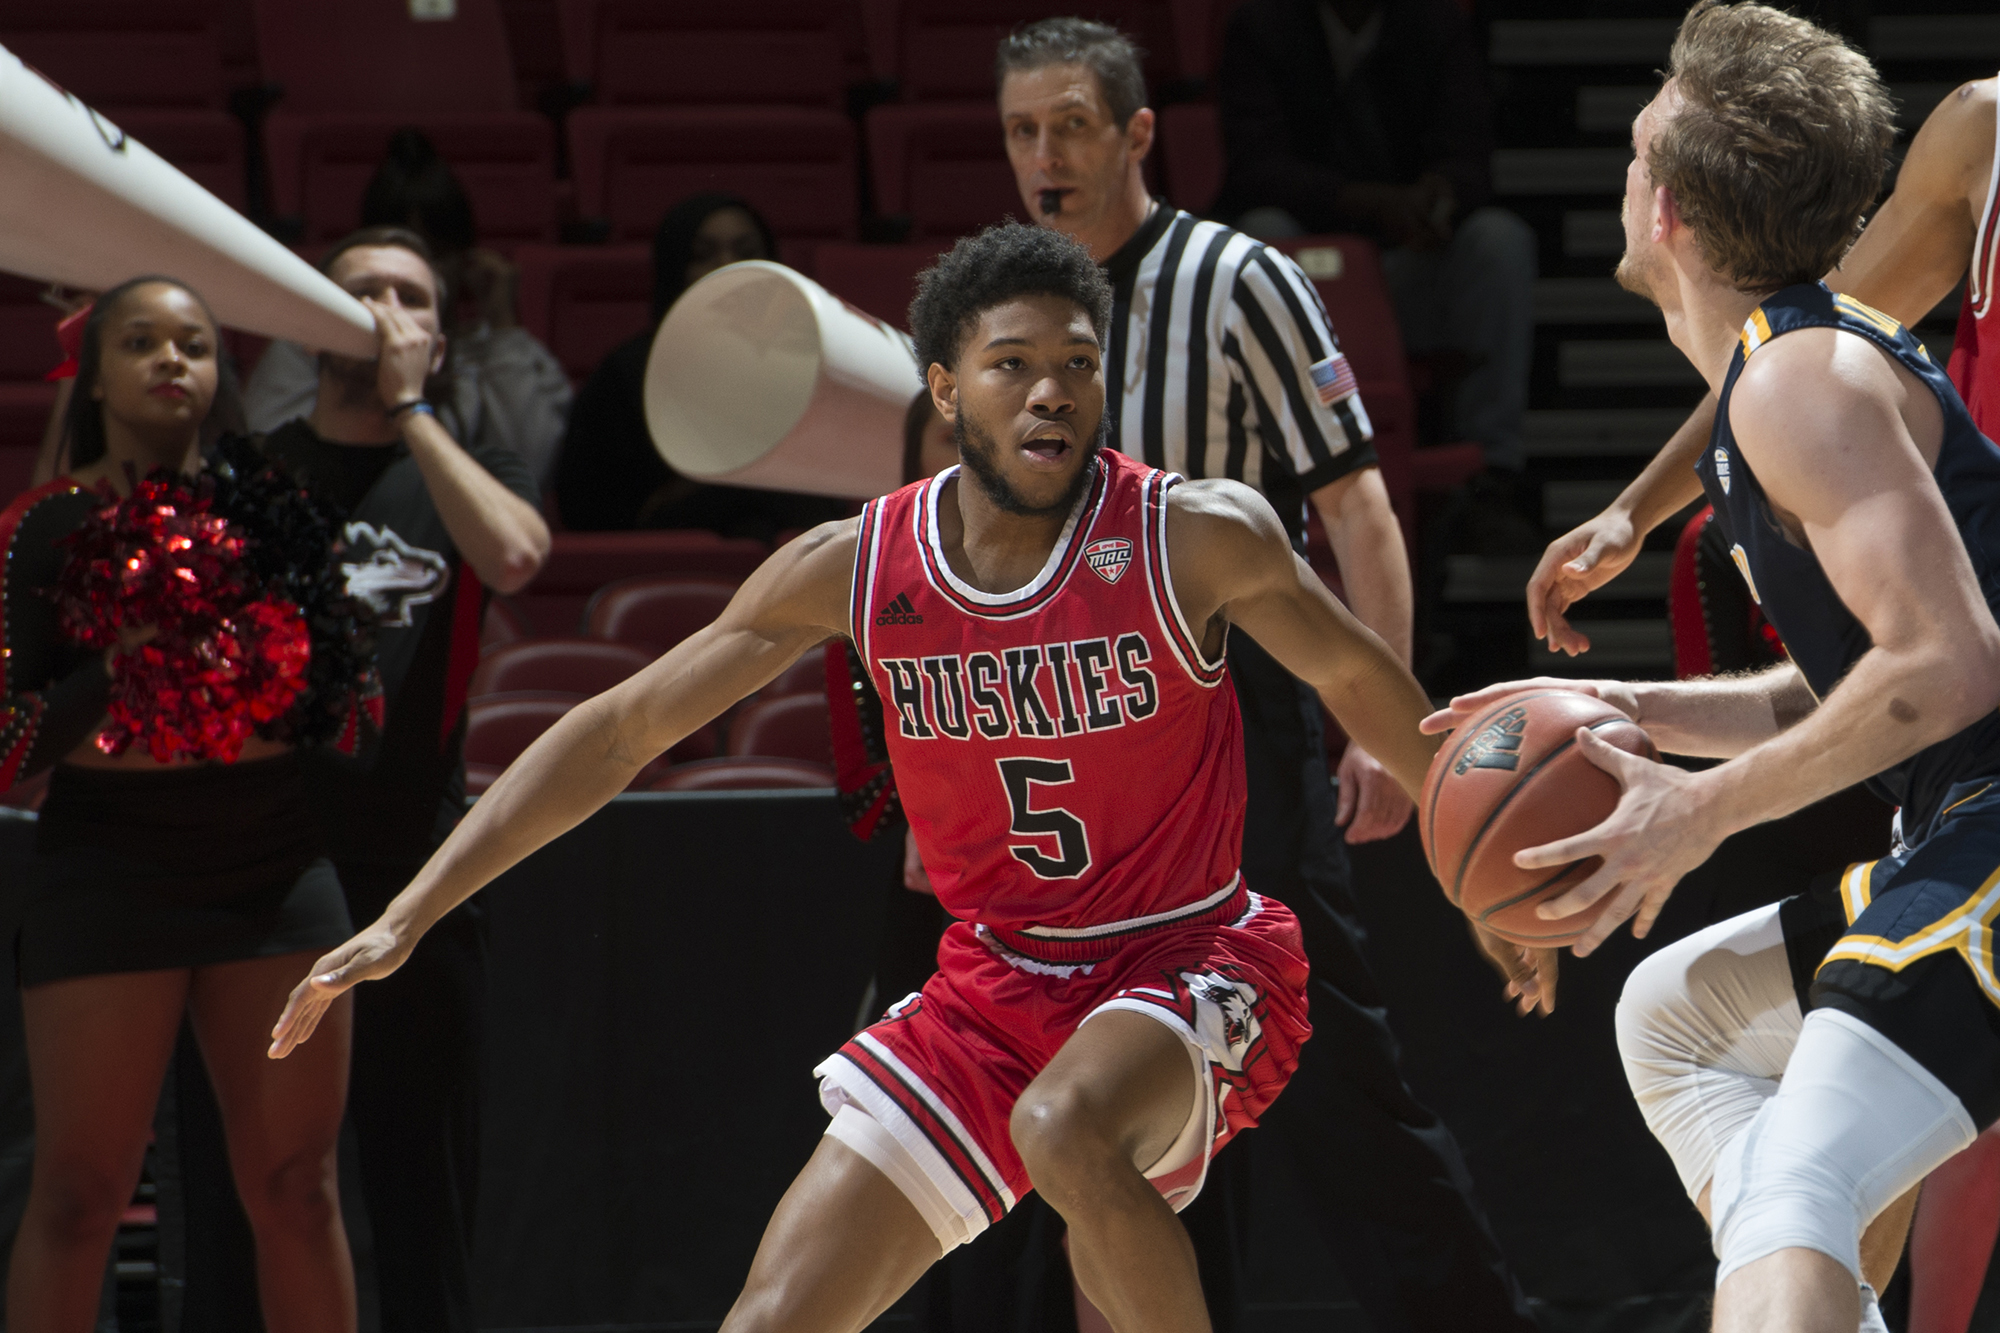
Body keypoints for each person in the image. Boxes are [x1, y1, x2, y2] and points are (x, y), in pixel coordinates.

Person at [269, 222, 1541, 1333]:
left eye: (1077, 366)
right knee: (769, 1318)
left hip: (1190, 955)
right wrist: (407, 911)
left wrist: (1485, 886)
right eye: (1012, 368)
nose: (1051, 394)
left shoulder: (1192, 533)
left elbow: (1380, 698)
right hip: (991, 986)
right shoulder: (856, 563)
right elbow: (616, 732)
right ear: (942, 390)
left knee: (1063, 1131)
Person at [1425, 5, 2000, 1329]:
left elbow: (1950, 668)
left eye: (1635, 156)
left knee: (1801, 1181)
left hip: (1990, 812)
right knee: (1674, 1017)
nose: (1626, 180)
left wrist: (1696, 811)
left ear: (1670, 212)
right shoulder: (1773, 379)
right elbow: (1859, 682)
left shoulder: (1801, 385)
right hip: (1959, 812)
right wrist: (1639, 710)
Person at [990, 18, 1537, 1330]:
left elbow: (1358, 512)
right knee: (1116, 1075)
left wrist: (1378, 722)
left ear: (1138, 135)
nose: (1043, 156)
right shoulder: (1013, 308)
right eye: (1020, 130)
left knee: (1326, 1060)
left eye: (1070, 125)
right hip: (1079, 726)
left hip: (1238, 710)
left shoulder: (1241, 280)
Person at [178, 226, 550, 1333]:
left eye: (408, 298)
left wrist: (413, 415)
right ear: (310, 319)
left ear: (436, 338)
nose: (383, 311)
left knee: (419, 1192)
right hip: (257, 879)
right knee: (246, 1194)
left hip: (417, 885)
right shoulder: (253, 474)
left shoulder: (469, 467)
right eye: (357, 294)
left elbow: (518, 556)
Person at [0, 277, 359, 1330]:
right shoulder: (46, 526)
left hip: (274, 860)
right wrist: (119, 664)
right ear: (95, 373)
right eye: (143, 341)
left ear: (219, 373)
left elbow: (351, 707)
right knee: (78, 1196)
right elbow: (9, 742)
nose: (171, 360)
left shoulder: (279, 511)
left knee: (297, 1188)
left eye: (195, 344)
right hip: (109, 864)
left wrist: (286, 663)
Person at [1214, 0, 1538, 540]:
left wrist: (1440, 194)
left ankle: (1493, 468)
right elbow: (1257, 168)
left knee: (1498, 242)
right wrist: (1365, 202)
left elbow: (1470, 150)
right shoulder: (1261, 27)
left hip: (1408, 264)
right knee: (1260, 229)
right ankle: (1265, 458)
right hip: (1311, 265)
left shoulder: (1438, 25)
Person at [244, 129, 572, 486]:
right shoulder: (312, 344)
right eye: (369, 288)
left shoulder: (497, 351)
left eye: (435, 253)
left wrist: (504, 324)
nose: (392, 306)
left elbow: (528, 467)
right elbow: (264, 456)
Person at [553, 192, 844, 538]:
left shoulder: (805, 370)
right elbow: (589, 511)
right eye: (703, 255)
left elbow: (828, 504)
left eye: (746, 252)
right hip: (663, 570)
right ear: (675, 271)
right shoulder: (627, 375)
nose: (728, 267)